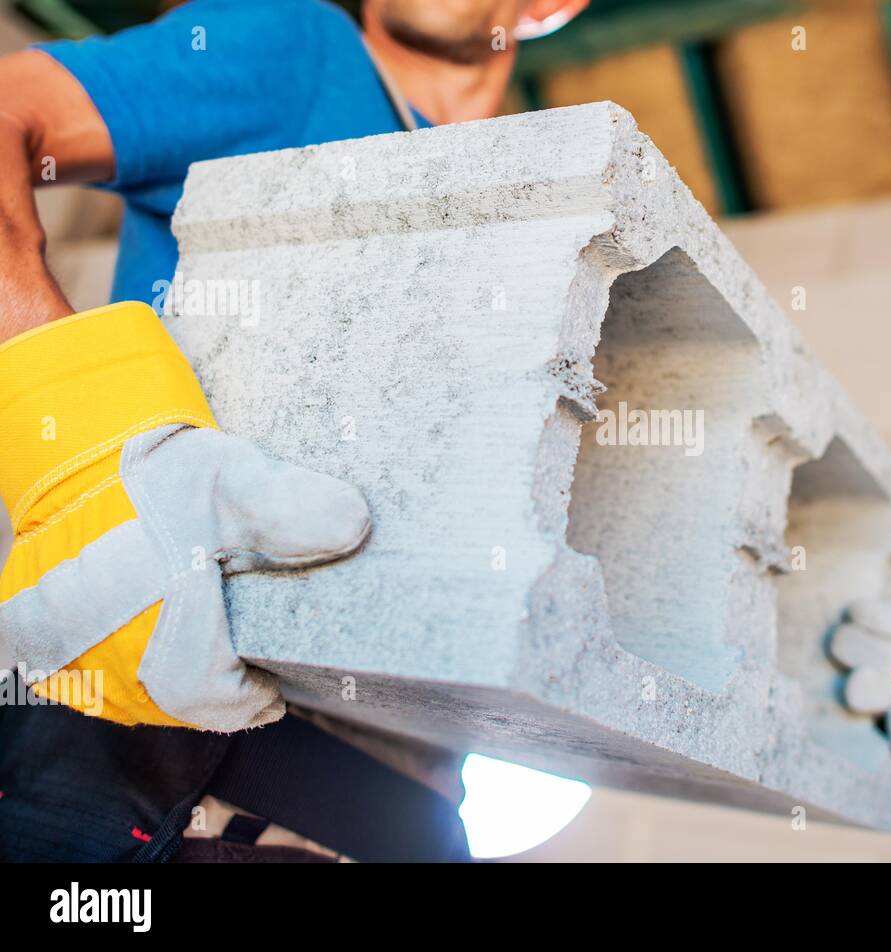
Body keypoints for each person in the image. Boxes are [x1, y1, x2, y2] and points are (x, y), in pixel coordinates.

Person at [0, 0, 588, 863]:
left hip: (402, 810)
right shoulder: (302, 46)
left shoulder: (540, 221)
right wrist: (70, 437)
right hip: (150, 754)